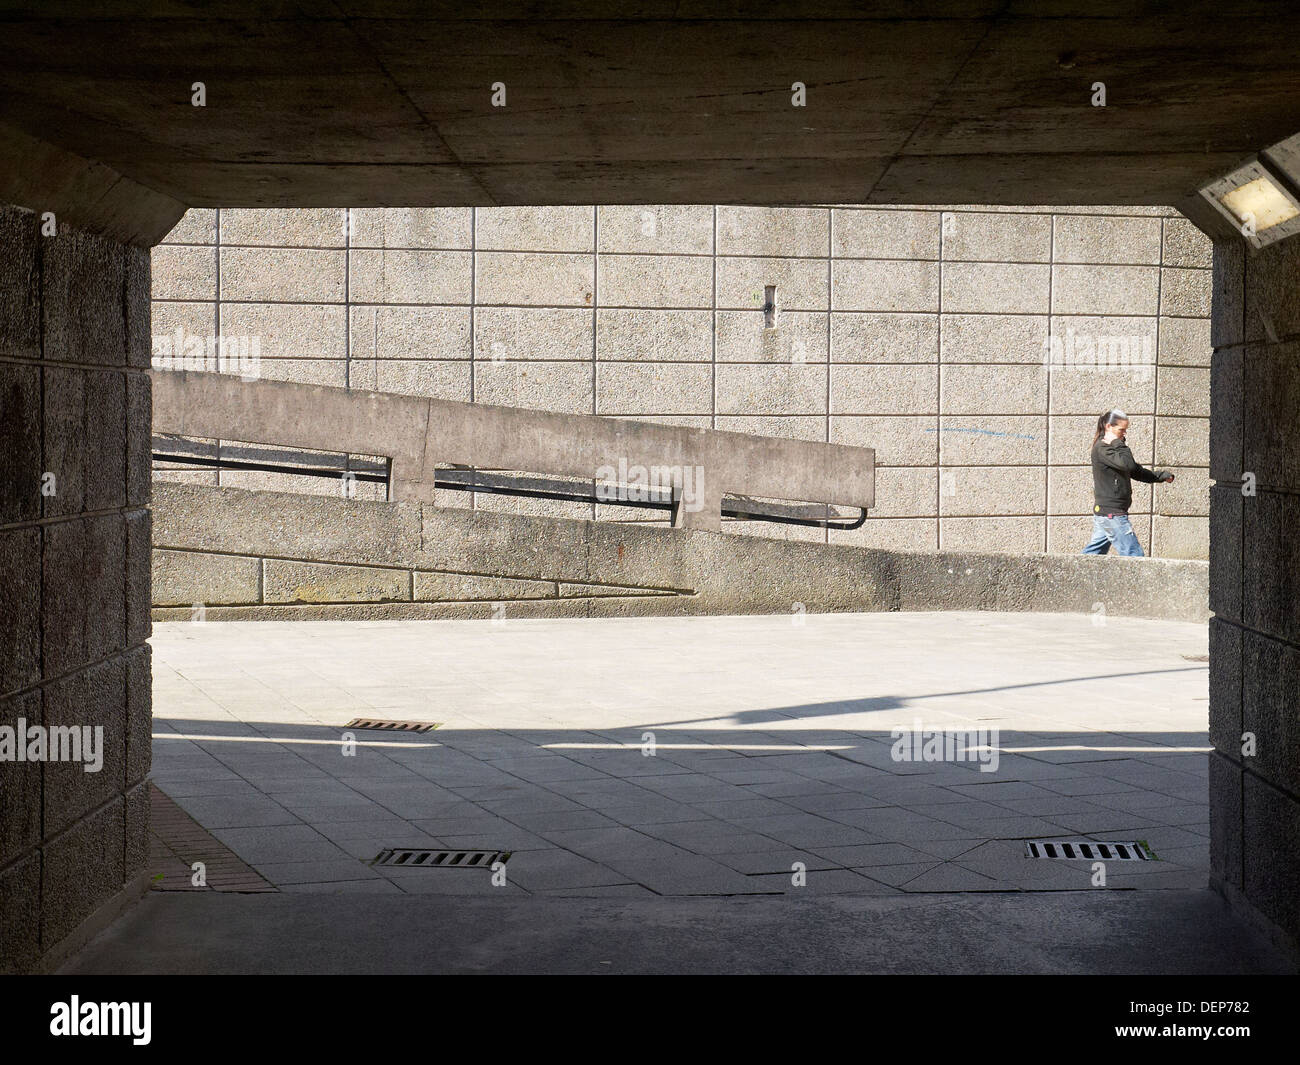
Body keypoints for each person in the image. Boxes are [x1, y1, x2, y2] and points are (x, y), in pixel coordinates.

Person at [1081, 409, 1174, 557]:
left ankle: (1067, 577)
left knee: (1092, 556)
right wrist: (1117, 442)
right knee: (1135, 557)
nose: (1124, 434)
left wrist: (1161, 476)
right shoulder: (1103, 448)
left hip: (1107, 513)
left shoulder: (1112, 448)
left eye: (1125, 430)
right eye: (1121, 430)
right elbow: (1128, 465)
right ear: (1109, 427)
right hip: (1112, 513)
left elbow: (1135, 471)